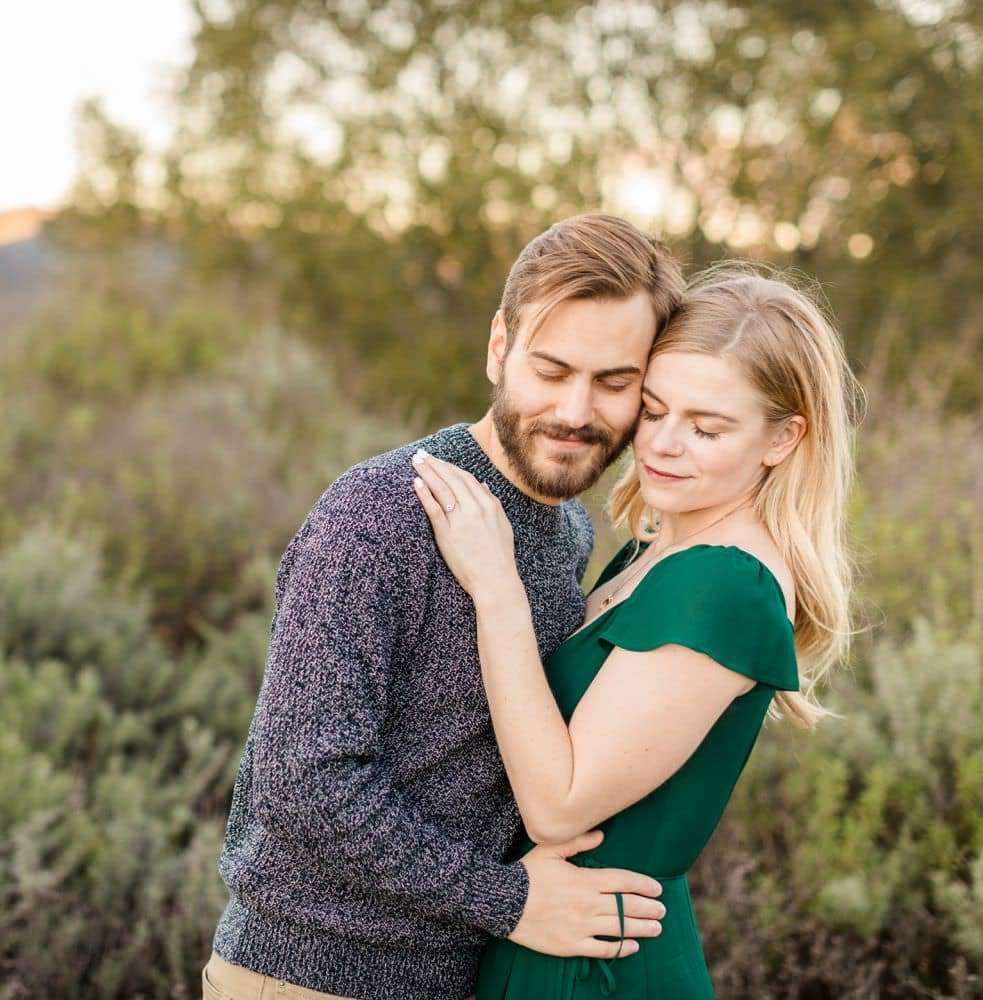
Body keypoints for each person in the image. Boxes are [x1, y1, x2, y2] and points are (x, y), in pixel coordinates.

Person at [203, 214, 686, 1000]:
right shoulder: (381, 512)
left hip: (451, 976)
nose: (574, 410)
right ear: (500, 347)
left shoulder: (566, 527)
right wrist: (507, 900)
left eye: (613, 382)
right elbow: (304, 782)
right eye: (551, 369)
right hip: (308, 979)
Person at [410, 263, 863, 998]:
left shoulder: (722, 583)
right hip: (548, 934)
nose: (664, 445)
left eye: (707, 427)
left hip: (594, 967)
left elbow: (559, 806)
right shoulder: (660, 548)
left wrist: (496, 589)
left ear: (783, 440)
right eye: (653, 410)